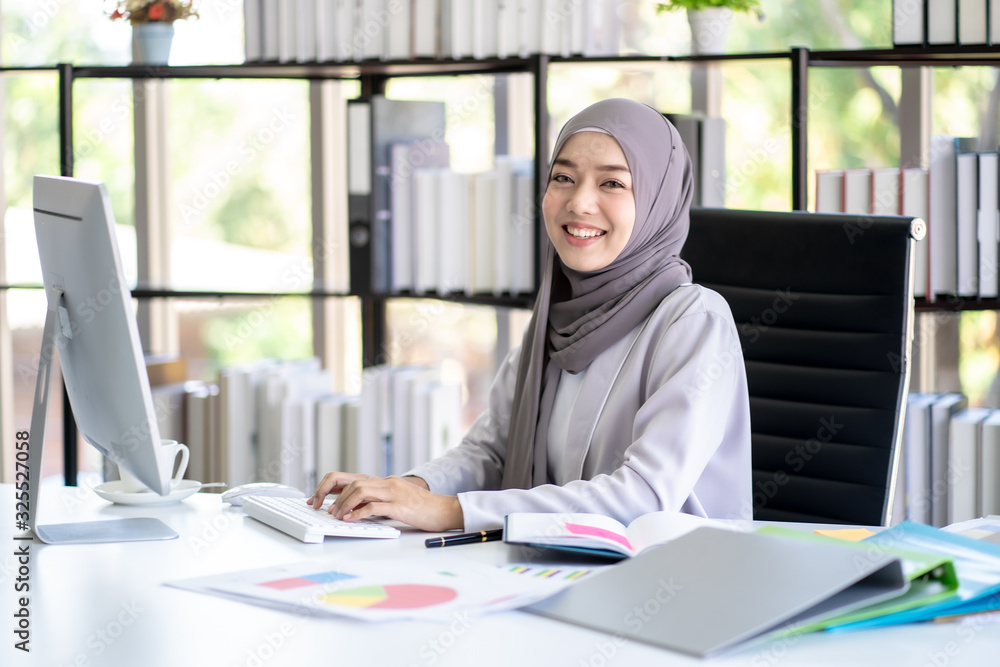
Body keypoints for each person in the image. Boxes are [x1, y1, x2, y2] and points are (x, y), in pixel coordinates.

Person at [309, 98, 751, 532]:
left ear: (658, 200)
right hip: (562, 570)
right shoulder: (555, 321)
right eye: (563, 177)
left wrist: (449, 511)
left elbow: (643, 498)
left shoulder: (694, 321)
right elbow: (490, 453)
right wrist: (405, 490)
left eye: (612, 183)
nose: (579, 203)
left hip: (673, 581)